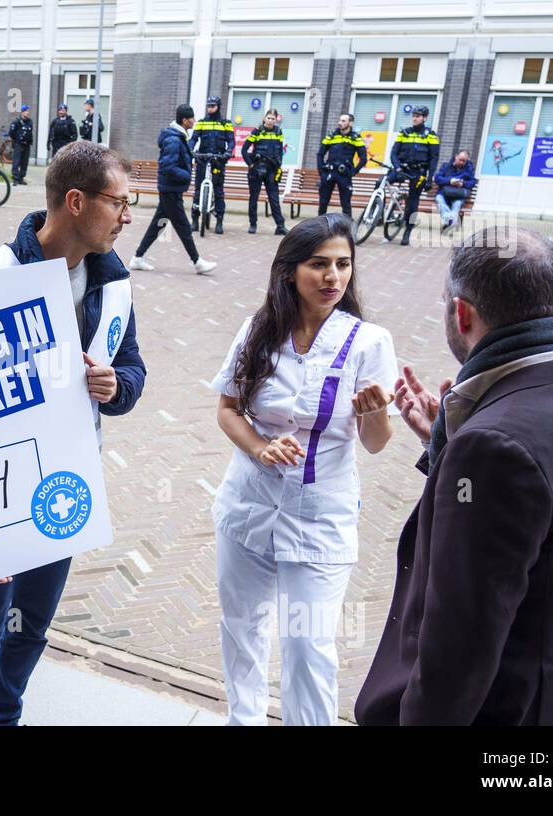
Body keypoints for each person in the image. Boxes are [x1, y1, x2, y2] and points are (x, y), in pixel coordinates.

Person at [355, 229, 553, 725]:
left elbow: (457, 653)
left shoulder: (492, 447)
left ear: (462, 313)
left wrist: (469, 448)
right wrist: (444, 446)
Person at [0, 142, 147, 726]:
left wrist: (115, 384)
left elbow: (133, 368)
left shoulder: (115, 284)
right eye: (120, 203)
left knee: (27, 633)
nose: (129, 217)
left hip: (63, 492)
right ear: (75, 202)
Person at [210, 213, 397, 725]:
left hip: (320, 516)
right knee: (242, 629)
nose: (333, 277)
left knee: (308, 649)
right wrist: (259, 448)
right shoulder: (258, 330)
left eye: (343, 264)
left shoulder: (368, 341)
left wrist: (373, 413)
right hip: (248, 505)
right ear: (290, 271)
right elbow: (228, 409)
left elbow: (377, 444)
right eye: (319, 265)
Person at [127, 105, 218, 275]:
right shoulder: (174, 139)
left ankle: (138, 258)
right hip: (170, 189)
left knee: (157, 225)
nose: (194, 121)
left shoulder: (178, 137)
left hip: (171, 189)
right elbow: (167, 166)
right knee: (183, 226)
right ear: (185, 120)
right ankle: (197, 261)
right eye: (192, 118)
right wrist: (186, 176)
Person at [389, 105, 440, 245]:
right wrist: (397, 168)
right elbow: (393, 153)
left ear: (425, 118)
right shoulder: (404, 133)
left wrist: (430, 179)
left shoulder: (431, 135)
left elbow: (434, 158)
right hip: (402, 169)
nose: (414, 118)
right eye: (414, 115)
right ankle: (377, 214)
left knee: (412, 203)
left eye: (418, 116)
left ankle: (407, 232)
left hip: (418, 173)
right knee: (381, 182)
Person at [190, 95, 234, 235]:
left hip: (218, 160)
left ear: (218, 106)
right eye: (208, 106)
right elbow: (194, 139)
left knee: (219, 191)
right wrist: (190, 150)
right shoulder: (202, 122)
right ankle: (195, 219)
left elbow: (231, 141)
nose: (210, 108)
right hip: (203, 159)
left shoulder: (226, 123)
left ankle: (219, 221)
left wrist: (227, 152)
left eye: (213, 106)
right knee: (197, 189)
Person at [241, 109, 288, 236]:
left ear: (276, 120)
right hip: (257, 169)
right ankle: (253, 224)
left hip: (272, 169)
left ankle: (280, 226)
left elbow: (280, 152)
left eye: (273, 118)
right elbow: (244, 150)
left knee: (274, 199)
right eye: (269, 118)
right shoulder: (257, 131)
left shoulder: (278, 132)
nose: (271, 120)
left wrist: (279, 166)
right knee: (254, 198)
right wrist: (250, 165)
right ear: (264, 118)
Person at [316, 112, 368, 218]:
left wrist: (353, 172)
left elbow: (363, 158)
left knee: (346, 204)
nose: (340, 123)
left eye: (343, 121)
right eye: (339, 120)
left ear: (350, 123)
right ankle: (320, 229)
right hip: (329, 173)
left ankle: (348, 230)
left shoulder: (356, 138)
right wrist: (321, 173)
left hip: (344, 175)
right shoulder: (331, 136)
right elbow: (320, 154)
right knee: (323, 203)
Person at [433, 150, 476, 232]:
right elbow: (437, 178)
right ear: (456, 156)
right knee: (439, 200)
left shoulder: (469, 169)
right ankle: (450, 222)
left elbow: (472, 182)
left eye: (464, 161)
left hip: (458, 195)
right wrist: (450, 181)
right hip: (444, 193)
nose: (462, 162)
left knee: (456, 206)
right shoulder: (446, 166)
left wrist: (463, 184)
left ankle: (448, 222)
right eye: (460, 159)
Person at [8, 104, 34, 186]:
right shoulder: (16, 121)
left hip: (27, 145)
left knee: (24, 162)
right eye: (26, 111)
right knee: (16, 162)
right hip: (18, 144)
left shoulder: (30, 121)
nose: (27, 112)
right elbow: (11, 133)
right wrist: (17, 140)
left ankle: (21, 178)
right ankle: (15, 179)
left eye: (28, 111)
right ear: (22, 112)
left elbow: (30, 132)